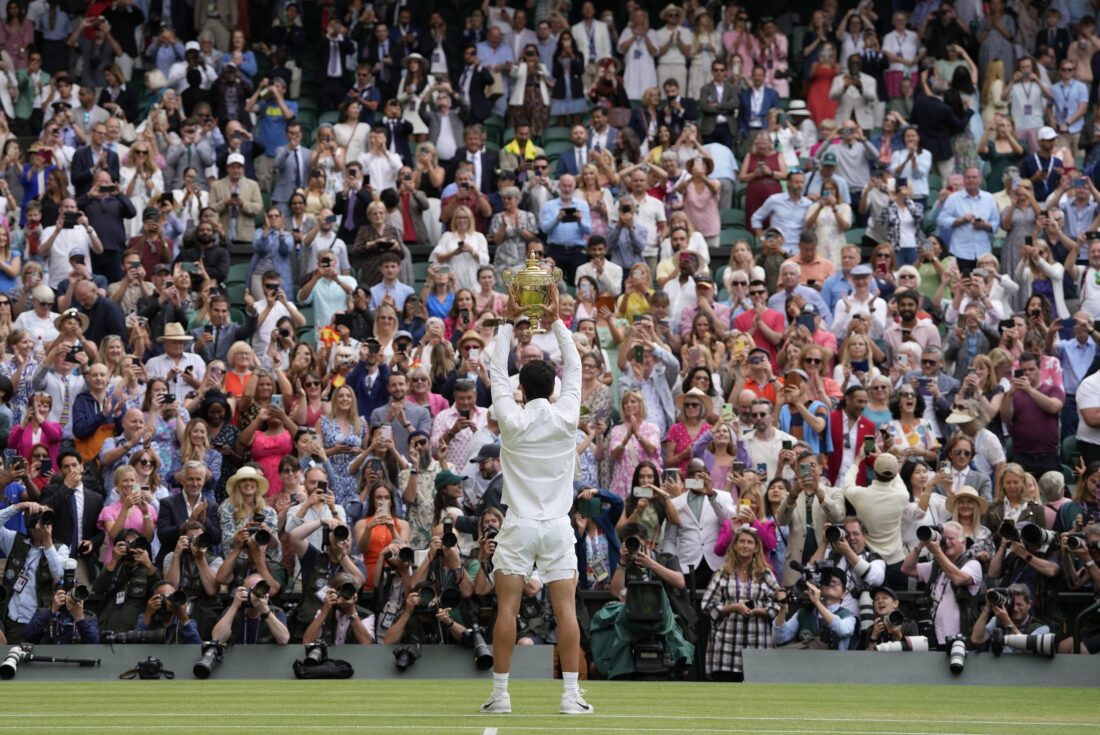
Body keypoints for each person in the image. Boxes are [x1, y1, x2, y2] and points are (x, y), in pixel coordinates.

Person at [481, 280, 590, 715]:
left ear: (521, 389)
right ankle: (570, 697)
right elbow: (577, 366)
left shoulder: (510, 417)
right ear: (554, 388)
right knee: (566, 610)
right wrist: (557, 321)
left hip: (520, 525)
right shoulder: (567, 415)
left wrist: (512, 321)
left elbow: (494, 369)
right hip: (557, 527)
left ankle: (502, 696)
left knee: (506, 608)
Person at [701, 523, 781, 680]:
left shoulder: (766, 574)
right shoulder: (723, 573)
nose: (745, 545)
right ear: (735, 546)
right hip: (727, 646)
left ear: (757, 548)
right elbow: (707, 604)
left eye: (750, 542)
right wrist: (733, 607)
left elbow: (777, 604)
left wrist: (758, 611)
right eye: (742, 541)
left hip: (758, 643)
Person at [900, 520, 983, 647]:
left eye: (951, 538)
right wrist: (922, 544)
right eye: (944, 539)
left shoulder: (973, 564)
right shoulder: (936, 566)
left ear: (963, 542)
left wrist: (937, 552)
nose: (947, 542)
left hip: (959, 640)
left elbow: (958, 578)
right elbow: (907, 568)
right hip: (934, 638)